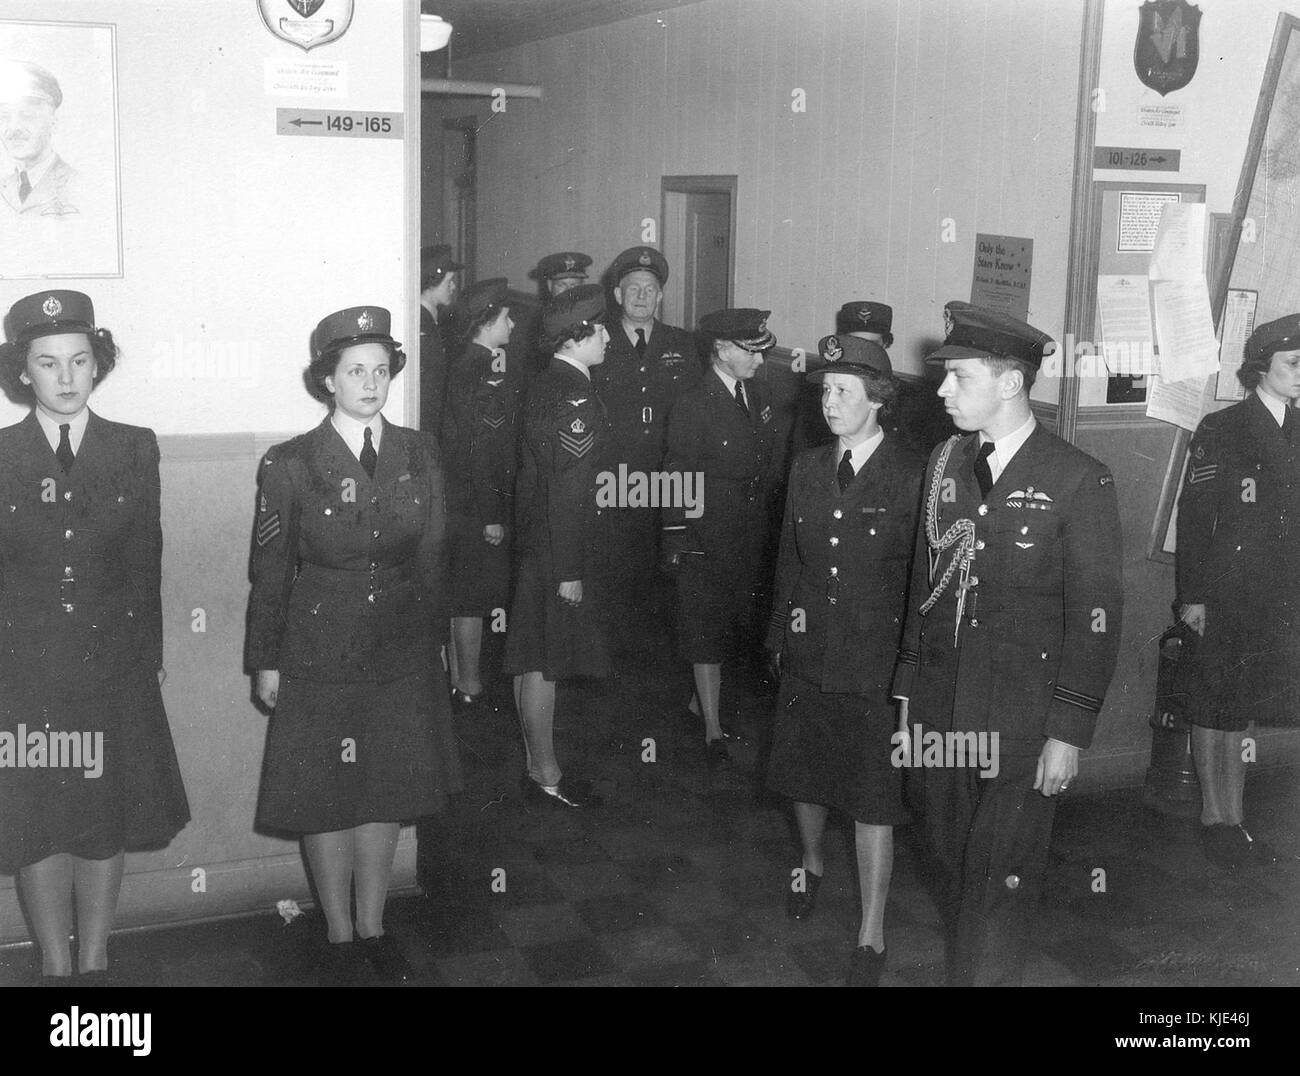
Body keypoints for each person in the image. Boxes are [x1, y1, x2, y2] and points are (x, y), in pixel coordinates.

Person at [892, 301, 1123, 987]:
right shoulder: (943, 463)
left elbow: (1097, 616)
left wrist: (1069, 731)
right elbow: (922, 585)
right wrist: (907, 693)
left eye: (959, 376)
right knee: (947, 860)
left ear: (1011, 382)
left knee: (999, 881)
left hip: (1023, 721)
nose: (942, 389)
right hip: (940, 712)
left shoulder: (1076, 478)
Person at [245, 304, 461, 983]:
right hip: (318, 648)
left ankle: (373, 924)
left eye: (381, 370)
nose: (371, 383)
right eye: (355, 371)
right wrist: (266, 659)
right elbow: (270, 572)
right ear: (327, 380)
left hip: (401, 645)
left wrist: (436, 644)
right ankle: (338, 931)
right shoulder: (290, 463)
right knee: (327, 789)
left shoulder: (420, 452)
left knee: (386, 786)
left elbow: (433, 556)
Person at [0, 290, 189, 983]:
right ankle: (55, 965)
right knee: (39, 815)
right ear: (23, 372)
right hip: (23, 669)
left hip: (112, 662)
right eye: (48, 362)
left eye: (79, 360)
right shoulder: (1, 454)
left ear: (97, 363)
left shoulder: (134, 447)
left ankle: (97, 956)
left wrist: (151, 655)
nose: (66, 376)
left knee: (104, 809)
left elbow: (146, 557)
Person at [765, 335, 923, 986]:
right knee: (803, 775)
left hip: (874, 661)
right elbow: (789, 558)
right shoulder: (806, 466)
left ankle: (871, 933)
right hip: (808, 648)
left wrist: (912, 669)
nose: (829, 403)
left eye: (843, 391)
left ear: (877, 399)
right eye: (825, 390)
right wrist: (779, 634)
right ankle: (811, 861)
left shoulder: (914, 474)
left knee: (872, 796)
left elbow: (920, 582)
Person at [1175, 313, 1300, 869]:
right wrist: (1193, 595)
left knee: (1244, 703)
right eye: (1293, 363)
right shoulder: (1222, 427)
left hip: (1281, 592)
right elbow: (1195, 516)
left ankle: (1237, 818)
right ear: (1261, 368)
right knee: (1215, 702)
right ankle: (1214, 818)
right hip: (1226, 589)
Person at [503, 284, 611, 809]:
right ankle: (546, 773)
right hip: (557, 548)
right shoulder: (575, 397)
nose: (608, 336)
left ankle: (536, 766)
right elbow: (569, 487)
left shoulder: (547, 381)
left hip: (536, 541)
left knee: (530, 658)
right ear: (576, 336)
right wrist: (570, 569)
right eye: (600, 328)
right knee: (546, 662)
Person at [662, 308, 779, 770]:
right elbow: (676, 475)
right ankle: (712, 727)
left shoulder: (758, 393)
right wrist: (677, 538)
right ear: (722, 350)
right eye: (751, 352)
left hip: (748, 529)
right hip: (705, 530)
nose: (760, 361)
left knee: (731, 620)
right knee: (705, 626)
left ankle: (700, 702)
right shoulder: (693, 402)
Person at [593, 246, 698, 650]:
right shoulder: (597, 340)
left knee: (665, 568)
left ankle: (653, 654)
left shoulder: (682, 344)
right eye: (633, 288)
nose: (641, 296)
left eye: (650, 289)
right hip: (613, 477)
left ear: (661, 296)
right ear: (617, 294)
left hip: (667, 474)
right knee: (615, 565)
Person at [441, 277, 519, 711]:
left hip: (462, 499)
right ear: (487, 323)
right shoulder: (483, 372)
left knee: (463, 595)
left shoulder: (468, 363)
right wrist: (492, 513)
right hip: (476, 503)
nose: (512, 324)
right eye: (506, 317)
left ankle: (462, 680)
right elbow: (482, 448)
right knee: (471, 596)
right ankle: (469, 683)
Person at [0, 61, 78, 218]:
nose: (14, 127)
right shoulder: (4, 187)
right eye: (4, 115)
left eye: (27, 114)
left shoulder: (80, 186)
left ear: (53, 122)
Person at [417, 243, 462, 436]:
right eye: (448, 281)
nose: (453, 287)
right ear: (432, 282)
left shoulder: (430, 318)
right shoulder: (422, 325)